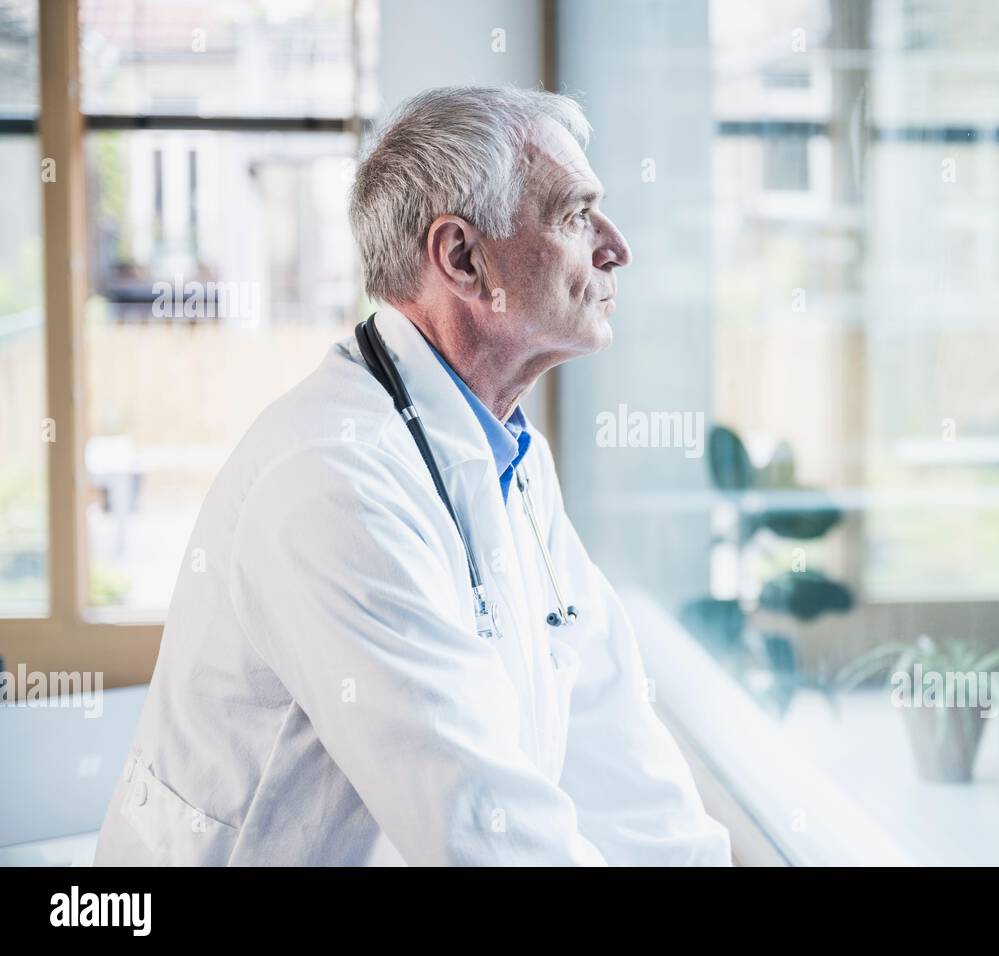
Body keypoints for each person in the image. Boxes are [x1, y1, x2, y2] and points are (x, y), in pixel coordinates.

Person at [93, 87, 733, 866]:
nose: (615, 245)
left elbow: (614, 747)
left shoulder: (507, 455)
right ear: (462, 258)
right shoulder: (331, 480)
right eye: (574, 215)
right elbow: (484, 828)